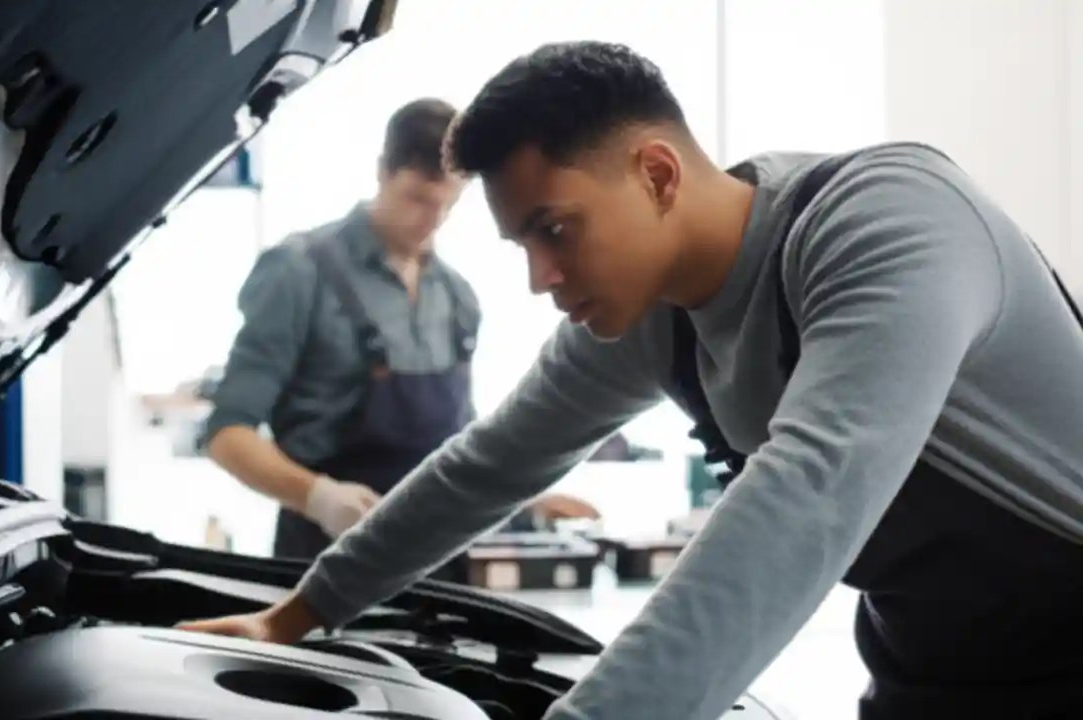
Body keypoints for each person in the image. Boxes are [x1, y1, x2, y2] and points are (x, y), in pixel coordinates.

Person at [182, 41, 1083, 719]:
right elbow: (488, 465)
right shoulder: (655, 317)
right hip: (927, 664)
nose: (539, 276)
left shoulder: (888, 226)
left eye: (556, 230)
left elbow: (805, 498)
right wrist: (297, 615)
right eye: (520, 245)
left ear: (656, 174)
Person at [200, 97, 595, 577]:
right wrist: (318, 497)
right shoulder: (298, 273)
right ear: (383, 171)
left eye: (448, 203)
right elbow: (227, 434)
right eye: (418, 199)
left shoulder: (457, 297)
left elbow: (461, 443)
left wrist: (525, 502)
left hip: (438, 565)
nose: (432, 220)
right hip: (322, 558)